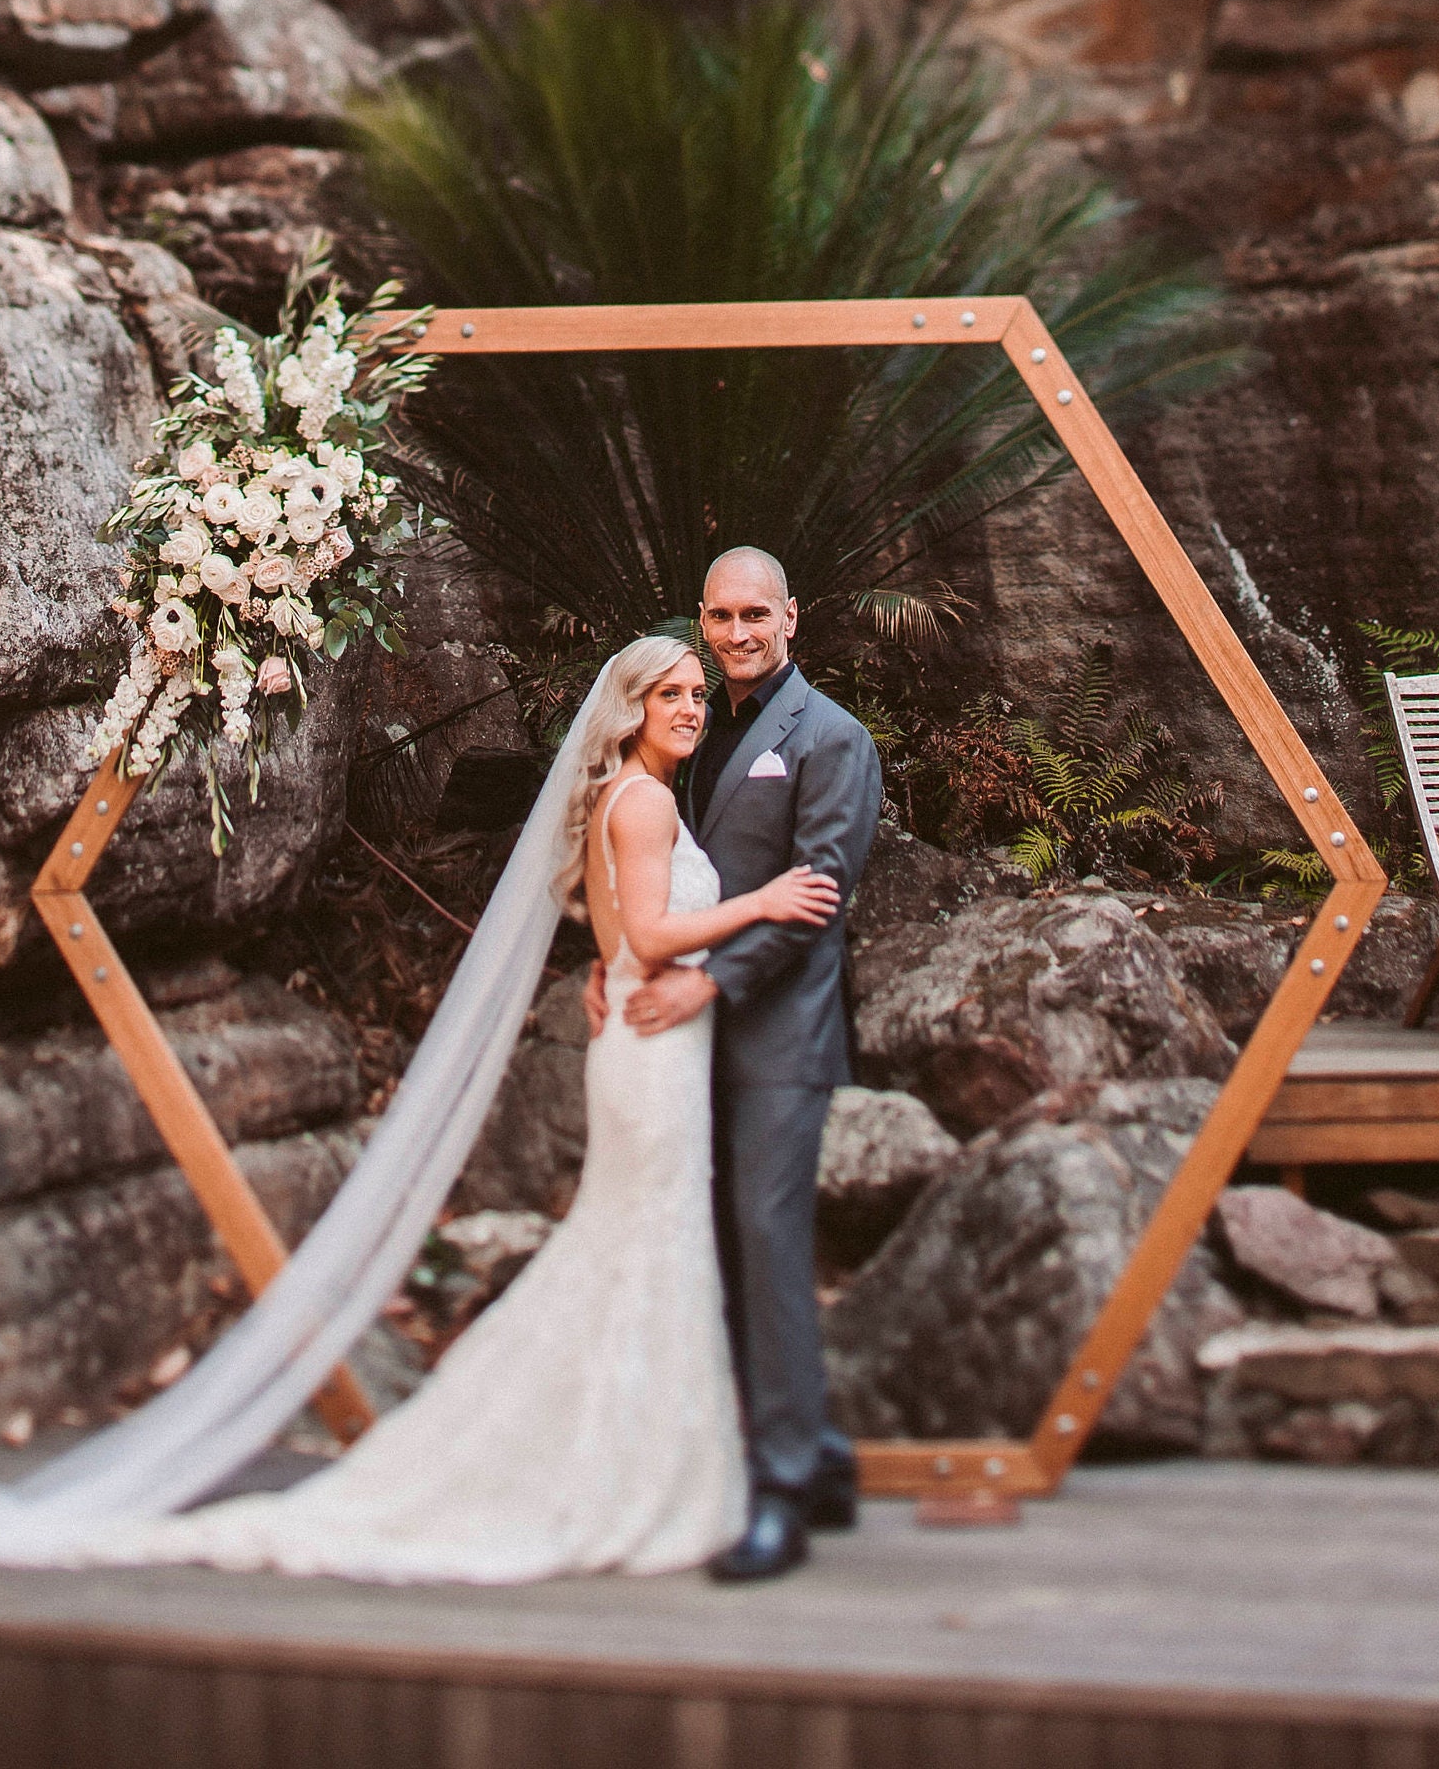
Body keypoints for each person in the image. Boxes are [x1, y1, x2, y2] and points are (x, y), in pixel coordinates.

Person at [62, 632, 841, 1582]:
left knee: (641, 1247)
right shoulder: (640, 804)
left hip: (651, 1045)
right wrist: (760, 906)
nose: (689, 708)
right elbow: (650, 930)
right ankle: (616, 1468)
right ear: (628, 710)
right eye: (669, 695)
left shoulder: (637, 799)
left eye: (695, 694)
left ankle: (629, 1458)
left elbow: (616, 936)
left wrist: (612, 965)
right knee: (642, 1243)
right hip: (653, 1054)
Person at [591, 546, 882, 1583]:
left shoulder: (831, 738)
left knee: (766, 1242)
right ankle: (820, 1455)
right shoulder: (694, 735)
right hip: (689, 1038)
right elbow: (654, 876)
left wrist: (710, 983)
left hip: (778, 1035)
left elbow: (820, 896)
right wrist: (618, 960)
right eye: (717, 618)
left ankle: (782, 1488)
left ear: (791, 617)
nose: (735, 634)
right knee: (715, 1240)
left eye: (754, 614)